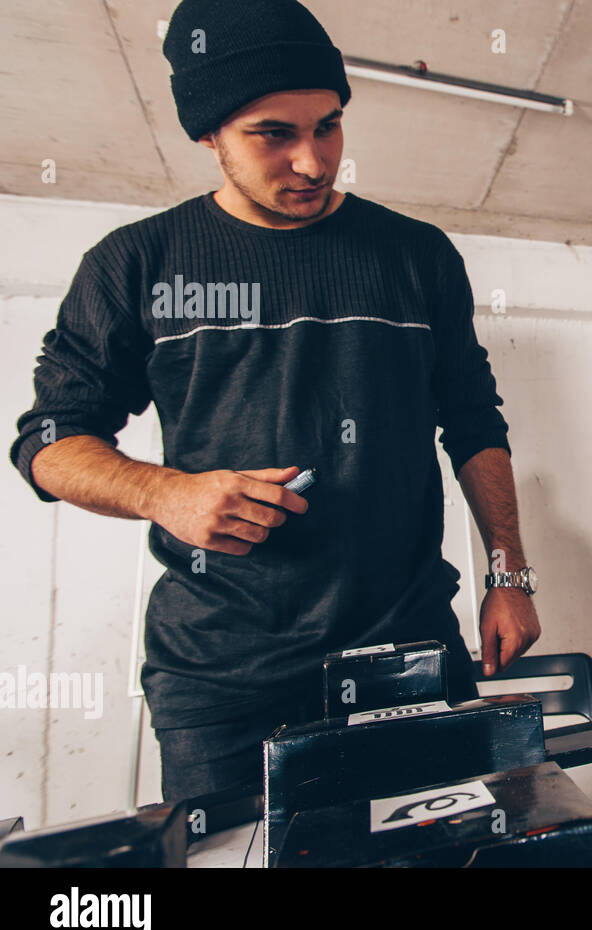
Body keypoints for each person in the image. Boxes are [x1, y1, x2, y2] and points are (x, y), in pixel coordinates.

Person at [9, 0, 540, 803]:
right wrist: (167, 493)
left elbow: (471, 417)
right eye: (273, 134)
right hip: (223, 684)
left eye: (327, 126)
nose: (313, 161)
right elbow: (48, 441)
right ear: (208, 135)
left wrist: (510, 572)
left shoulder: (417, 255)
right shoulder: (135, 263)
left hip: (409, 653)